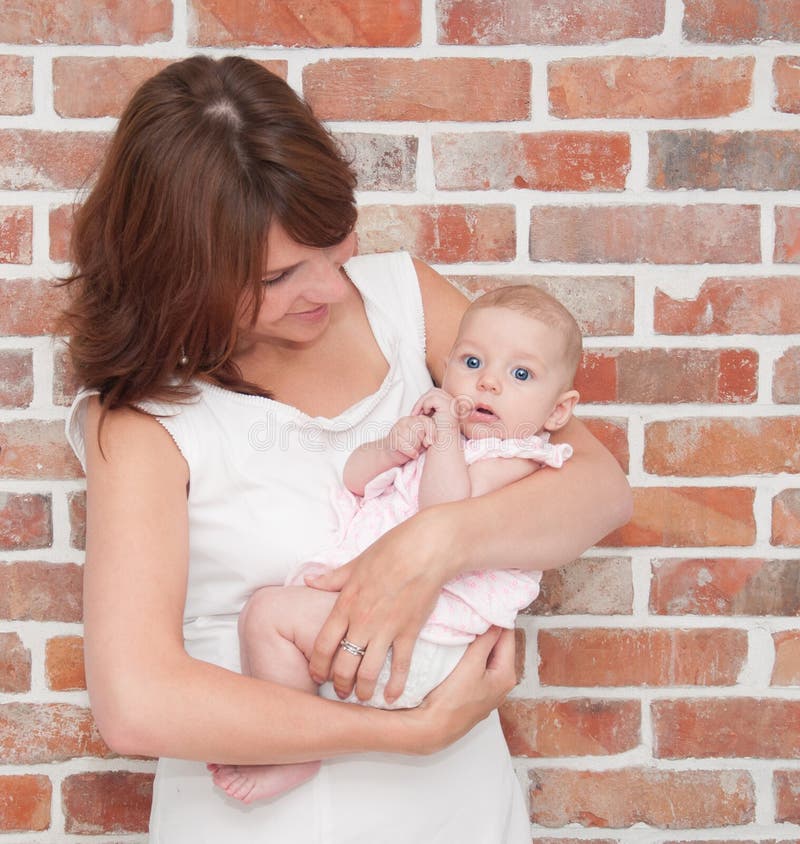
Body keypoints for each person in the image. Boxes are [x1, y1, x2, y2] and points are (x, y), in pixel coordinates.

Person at [61, 55, 632, 843]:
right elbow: (136, 702)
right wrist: (406, 733)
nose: (331, 287)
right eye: (283, 275)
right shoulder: (143, 420)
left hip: (459, 806)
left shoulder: (406, 300)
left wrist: (433, 544)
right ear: (184, 274)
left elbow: (599, 489)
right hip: (269, 820)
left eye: (335, 245)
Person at [209, 284, 583, 803]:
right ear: (446, 366)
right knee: (274, 617)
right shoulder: (444, 436)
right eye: (472, 362)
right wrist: (391, 447)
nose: (489, 383)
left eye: (520, 375)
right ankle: (297, 733)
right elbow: (357, 479)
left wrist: (445, 435)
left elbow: (443, 513)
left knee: (267, 615)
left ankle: (291, 751)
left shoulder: (519, 459)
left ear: (557, 412)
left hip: (430, 641)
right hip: (392, 627)